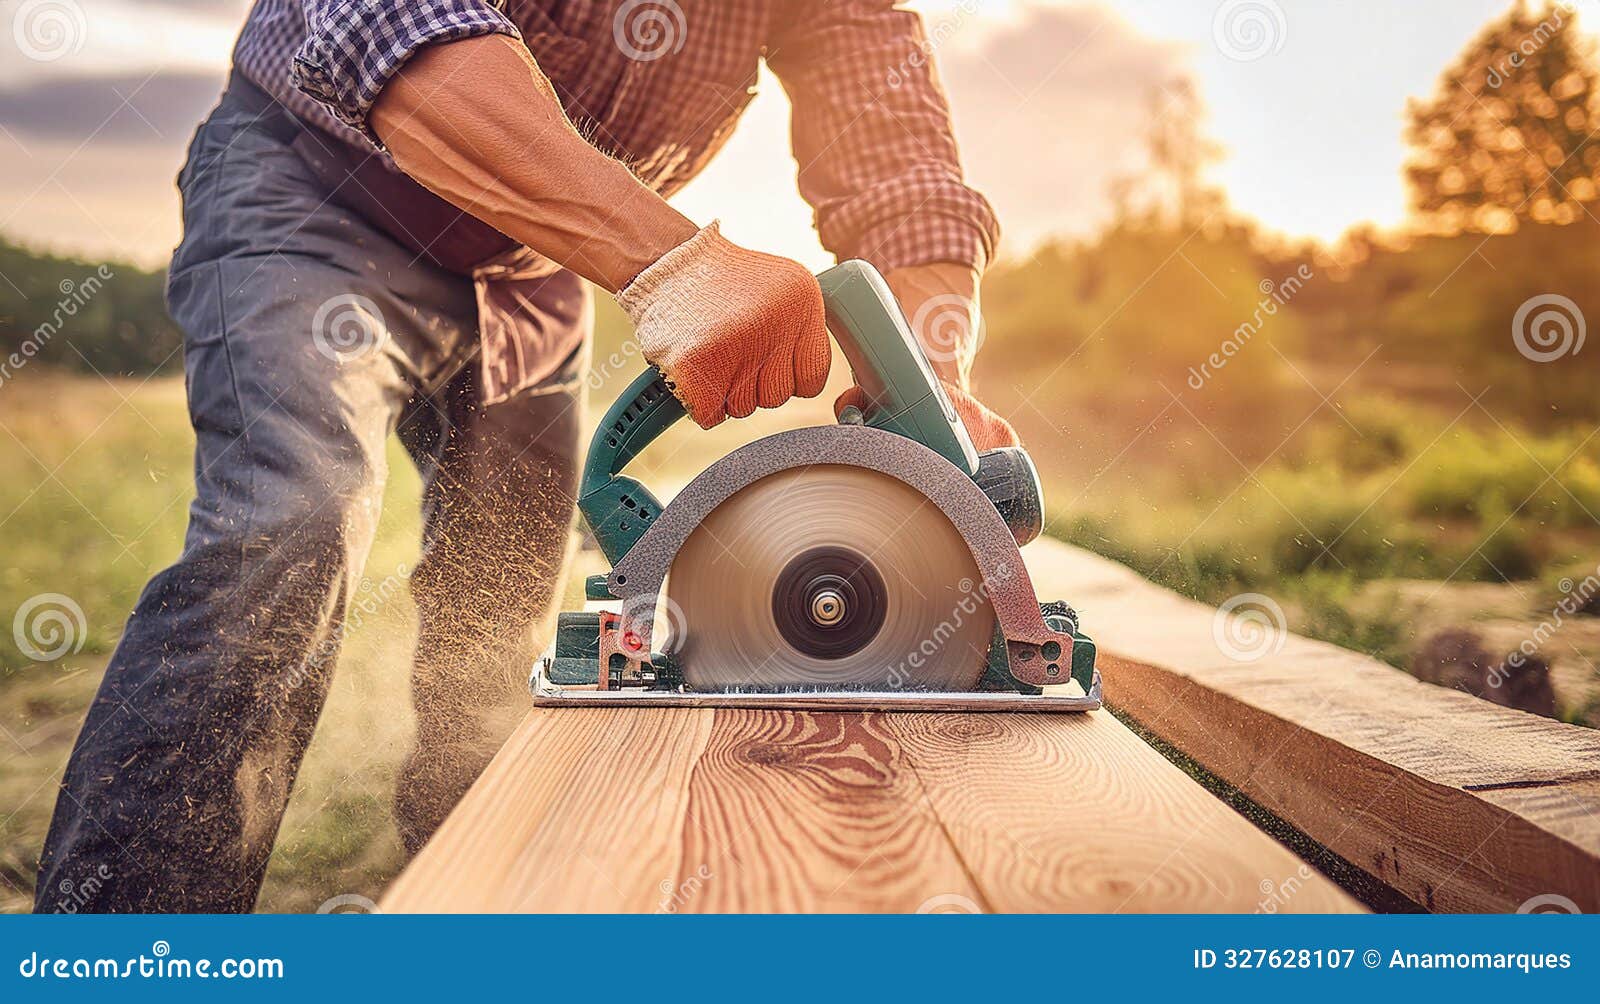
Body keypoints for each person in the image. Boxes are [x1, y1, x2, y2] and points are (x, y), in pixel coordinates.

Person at [35, 0, 1017, 912]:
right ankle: (122, 945)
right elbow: (391, 25)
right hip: (316, 189)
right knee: (293, 515)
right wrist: (673, 267)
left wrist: (924, 389)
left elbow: (890, 139)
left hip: (535, 259)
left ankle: (470, 906)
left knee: (498, 612)